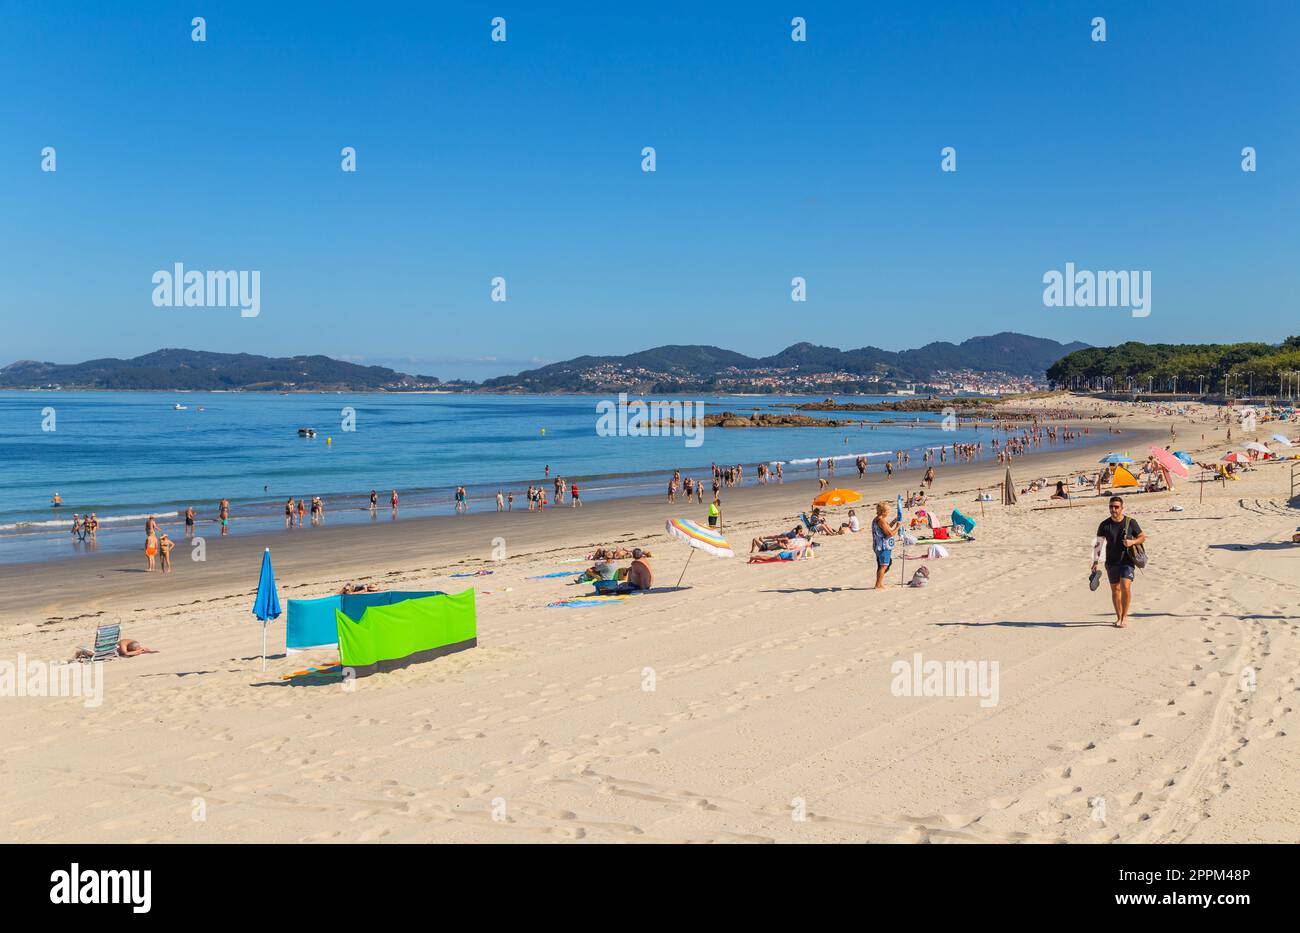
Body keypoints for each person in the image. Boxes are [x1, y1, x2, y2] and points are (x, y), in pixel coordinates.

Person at [1091, 495, 1146, 628]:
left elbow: (1142, 537)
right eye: (1111, 507)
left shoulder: (1130, 522)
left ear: (1122, 508)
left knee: (1125, 586)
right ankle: (1119, 617)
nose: (1113, 509)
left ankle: (1125, 616)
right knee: (1115, 589)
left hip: (1127, 560)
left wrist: (1132, 541)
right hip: (1111, 562)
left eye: (1116, 507)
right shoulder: (1104, 525)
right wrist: (1095, 561)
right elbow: (1098, 544)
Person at [871, 502, 900, 590]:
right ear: (883, 511)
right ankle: (878, 584)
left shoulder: (877, 519)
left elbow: (885, 528)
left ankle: (879, 583)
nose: (888, 512)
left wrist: (894, 522)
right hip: (883, 546)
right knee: (884, 565)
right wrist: (898, 527)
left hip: (878, 545)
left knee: (882, 565)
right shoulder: (881, 520)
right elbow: (890, 533)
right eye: (888, 511)